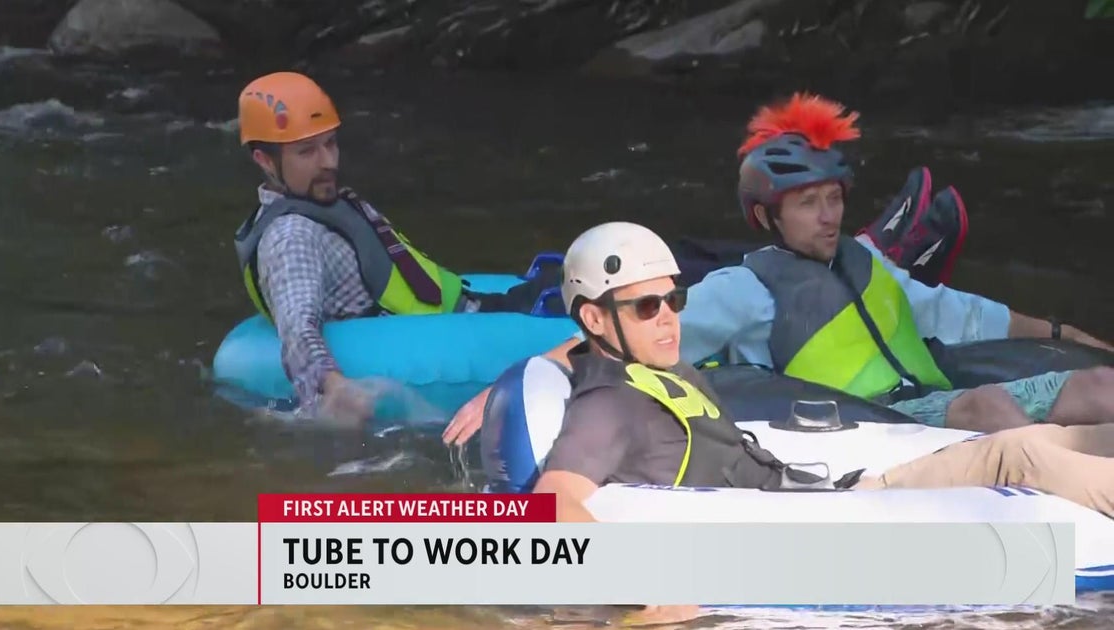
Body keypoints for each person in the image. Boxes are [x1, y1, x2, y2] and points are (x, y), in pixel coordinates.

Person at [530, 221, 1114, 625]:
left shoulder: (654, 369)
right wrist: (643, 581)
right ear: (594, 318)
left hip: (822, 489)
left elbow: (580, 357)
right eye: (645, 306)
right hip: (838, 513)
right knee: (1022, 456)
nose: (669, 320)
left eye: (674, 301)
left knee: (1032, 439)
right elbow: (554, 499)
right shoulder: (609, 405)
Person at [444, 93, 1113, 443]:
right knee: (989, 402)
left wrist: (1063, 333)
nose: (828, 216)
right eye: (808, 205)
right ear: (767, 217)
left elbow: (970, 315)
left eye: (833, 200)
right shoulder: (746, 289)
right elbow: (625, 340)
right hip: (877, 425)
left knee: (1097, 388)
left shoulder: (868, 264)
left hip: (934, 394)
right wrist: (511, 387)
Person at [231, 71, 562, 422]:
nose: (328, 161)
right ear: (265, 160)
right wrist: (333, 386)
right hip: (440, 331)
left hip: (454, 313)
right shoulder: (290, 239)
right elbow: (298, 326)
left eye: (330, 143)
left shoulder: (312, 201)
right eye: (307, 151)